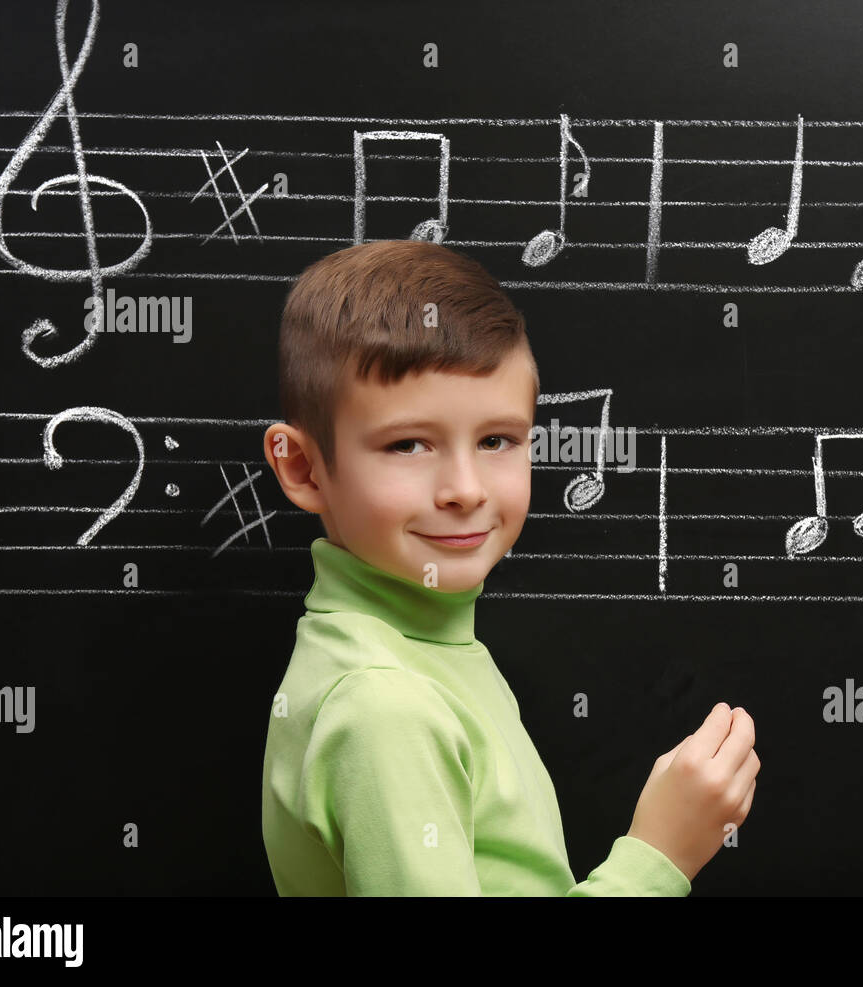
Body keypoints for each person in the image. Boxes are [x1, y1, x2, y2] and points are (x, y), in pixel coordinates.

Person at [260, 239, 759, 895]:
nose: (465, 488)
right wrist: (658, 854)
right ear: (303, 467)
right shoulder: (385, 706)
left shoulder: (415, 653)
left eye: (497, 440)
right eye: (408, 444)